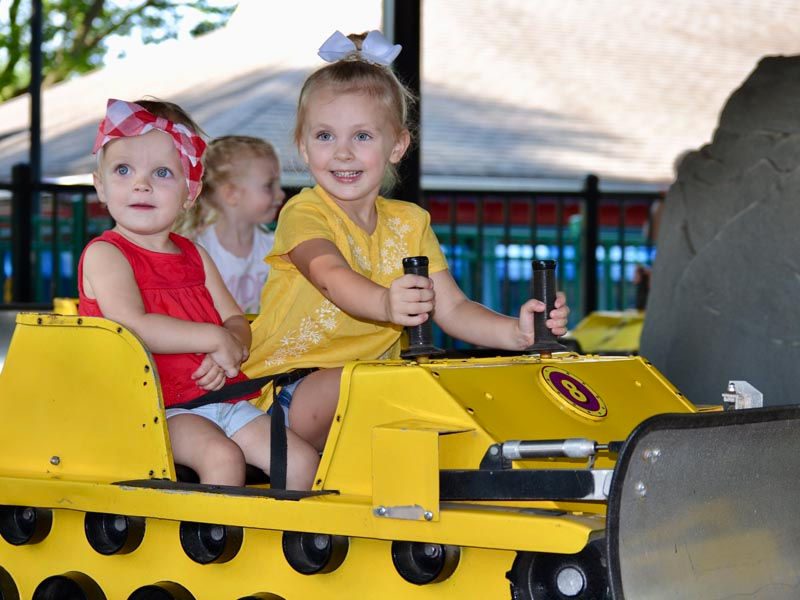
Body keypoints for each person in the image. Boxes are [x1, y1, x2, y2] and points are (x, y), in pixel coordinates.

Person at [244, 31, 570, 452]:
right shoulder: (305, 213)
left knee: (443, 398)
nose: (342, 153)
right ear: (303, 148)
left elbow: (452, 308)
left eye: (362, 136)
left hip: (373, 385)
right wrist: (384, 303)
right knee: (388, 387)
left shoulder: (410, 223)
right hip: (287, 390)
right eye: (325, 136)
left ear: (397, 146)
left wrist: (517, 332)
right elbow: (329, 275)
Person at [79, 98, 318, 489]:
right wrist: (213, 338)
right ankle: (212, 545)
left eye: (161, 172)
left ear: (190, 193)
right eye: (123, 170)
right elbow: (133, 324)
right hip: (153, 406)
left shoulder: (194, 254)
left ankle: (289, 542)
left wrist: (231, 347)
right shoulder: (106, 254)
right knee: (221, 457)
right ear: (100, 185)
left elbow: (236, 320)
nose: (141, 183)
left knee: (300, 460)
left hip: (220, 397)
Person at [176, 136, 285, 314]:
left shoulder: (276, 247)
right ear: (231, 194)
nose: (280, 194)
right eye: (269, 185)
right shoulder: (198, 251)